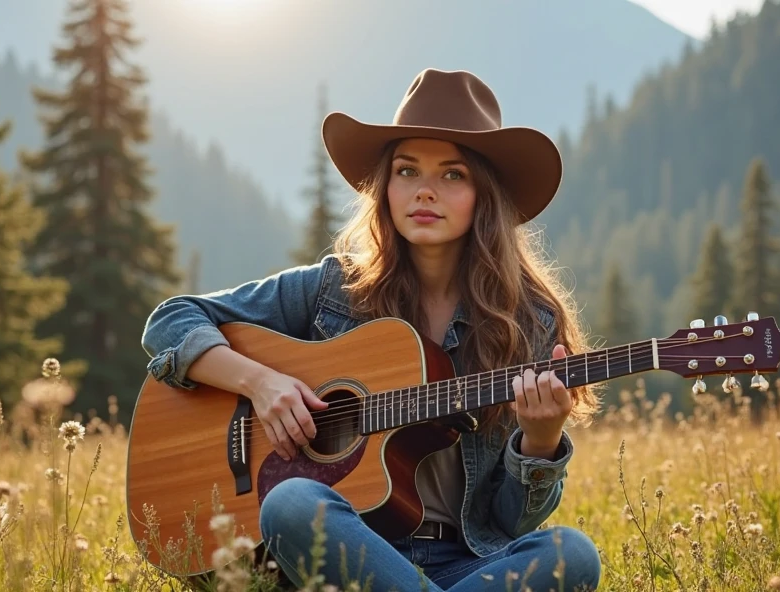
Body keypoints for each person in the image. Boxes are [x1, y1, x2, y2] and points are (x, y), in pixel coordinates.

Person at [141, 68, 602, 591]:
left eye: (452, 175)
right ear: (385, 188)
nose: (424, 191)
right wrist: (260, 384)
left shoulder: (528, 323)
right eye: (407, 171)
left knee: (573, 555)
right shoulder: (333, 288)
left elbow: (507, 523)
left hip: (460, 563)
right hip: (342, 548)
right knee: (291, 501)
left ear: (484, 196)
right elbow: (172, 320)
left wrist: (540, 443)